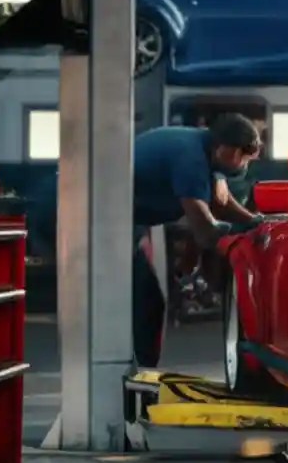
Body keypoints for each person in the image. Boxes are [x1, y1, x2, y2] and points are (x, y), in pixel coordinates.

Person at [26, 113, 264, 368]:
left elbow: (221, 203)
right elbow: (204, 230)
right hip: (74, 214)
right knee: (137, 301)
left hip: (102, 219)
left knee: (140, 299)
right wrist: (239, 234)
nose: (243, 166)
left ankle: (132, 370)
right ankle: (126, 373)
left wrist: (255, 221)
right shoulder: (191, 158)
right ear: (227, 148)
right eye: (243, 157)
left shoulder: (204, 152)